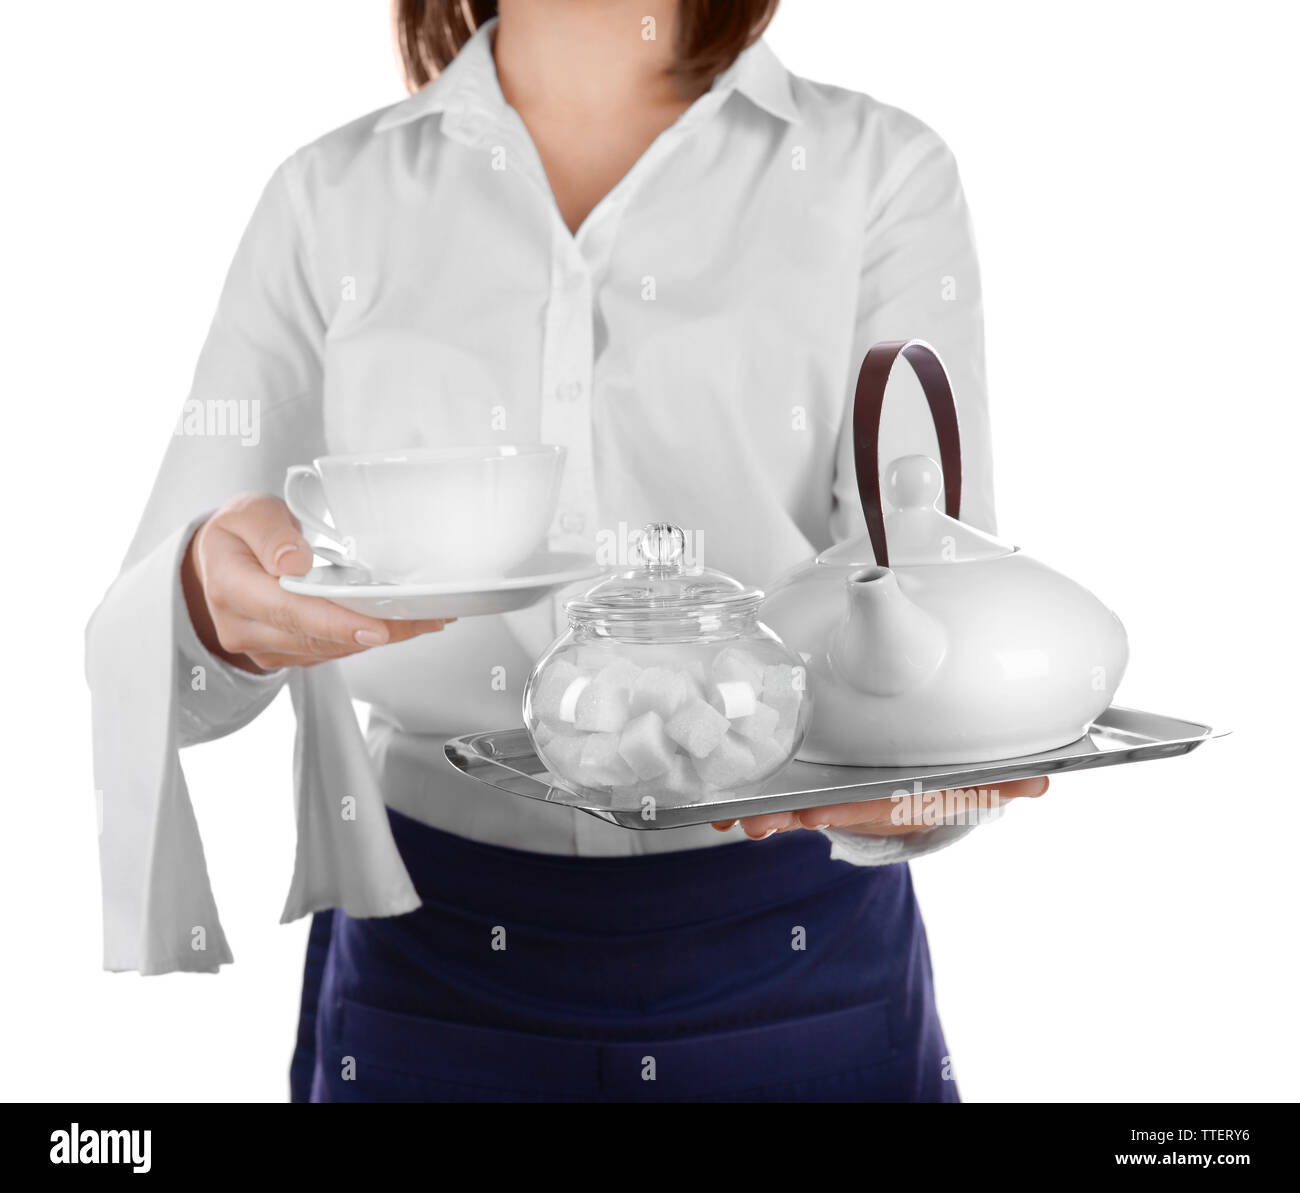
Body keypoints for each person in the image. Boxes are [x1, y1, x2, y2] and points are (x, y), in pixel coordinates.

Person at [86, 0, 1047, 1102]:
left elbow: (932, 614)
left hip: (794, 942)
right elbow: (159, 663)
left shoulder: (877, 173)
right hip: (428, 958)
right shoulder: (331, 200)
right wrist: (212, 609)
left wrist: (919, 792)